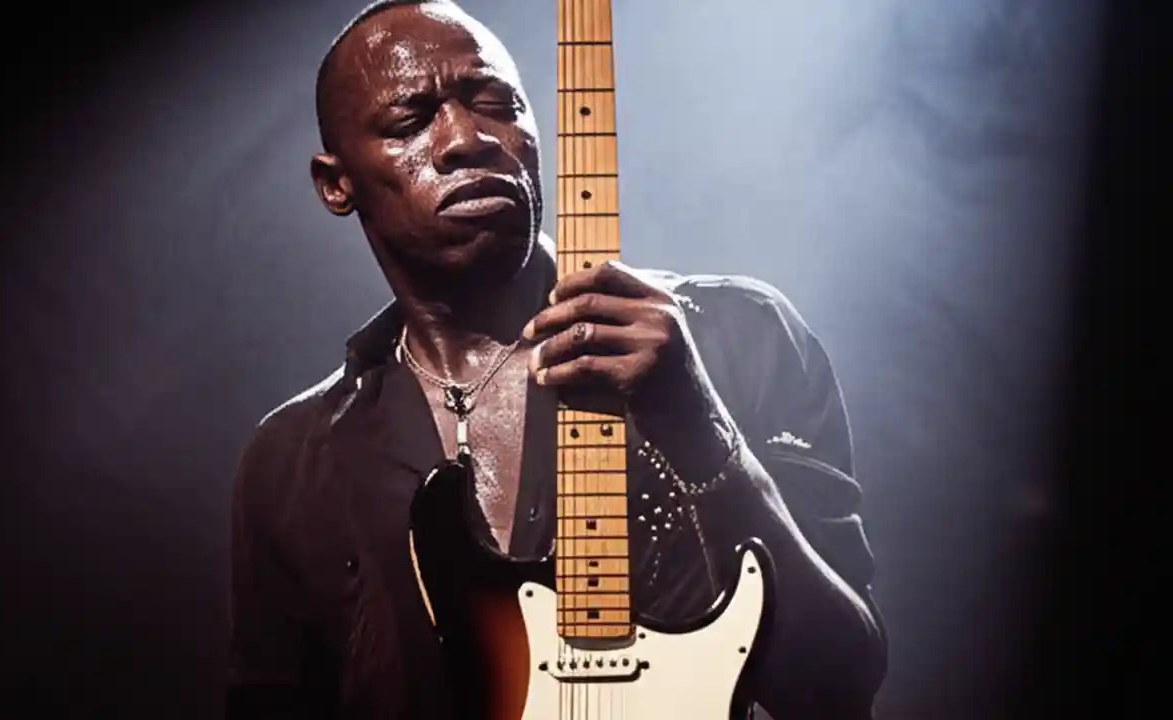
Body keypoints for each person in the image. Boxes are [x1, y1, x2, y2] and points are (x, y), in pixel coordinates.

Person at [226, 1, 887, 717]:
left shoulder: (742, 334)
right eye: (411, 121)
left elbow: (838, 684)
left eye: (496, 104)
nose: (466, 138)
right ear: (336, 183)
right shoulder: (293, 455)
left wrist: (696, 424)